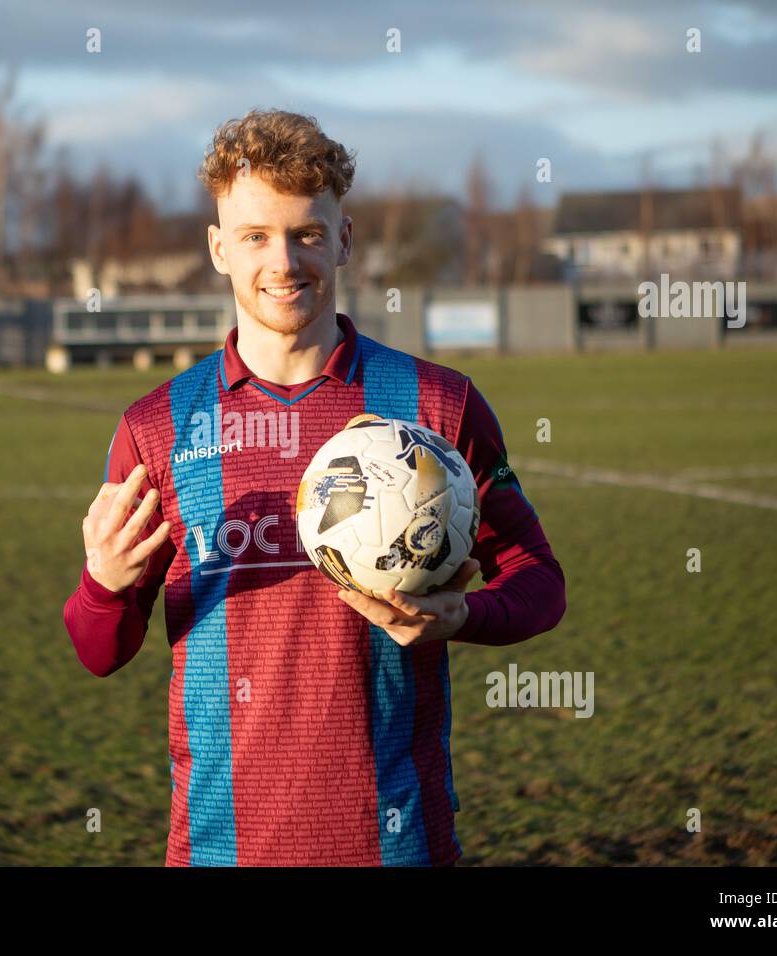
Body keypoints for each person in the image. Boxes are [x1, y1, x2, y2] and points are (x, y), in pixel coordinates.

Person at [63, 109, 566, 866]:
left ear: (345, 239)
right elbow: (100, 650)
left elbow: (541, 583)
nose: (285, 262)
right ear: (218, 248)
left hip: (398, 844)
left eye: (307, 233)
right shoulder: (157, 428)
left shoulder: (436, 406)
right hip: (220, 849)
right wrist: (103, 585)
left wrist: (459, 616)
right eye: (256, 236)